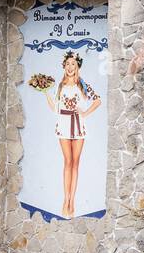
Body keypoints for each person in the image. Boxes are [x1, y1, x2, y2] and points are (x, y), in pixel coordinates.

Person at [42, 51, 101, 218]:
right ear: (64, 66)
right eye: (67, 64)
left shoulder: (82, 84)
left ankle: (72, 201)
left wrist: (85, 113)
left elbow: (97, 100)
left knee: (76, 163)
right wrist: (45, 92)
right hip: (63, 124)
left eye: (73, 64)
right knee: (67, 161)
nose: (70, 67)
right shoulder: (59, 86)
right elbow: (55, 108)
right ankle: (65, 198)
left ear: (77, 67)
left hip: (78, 125)